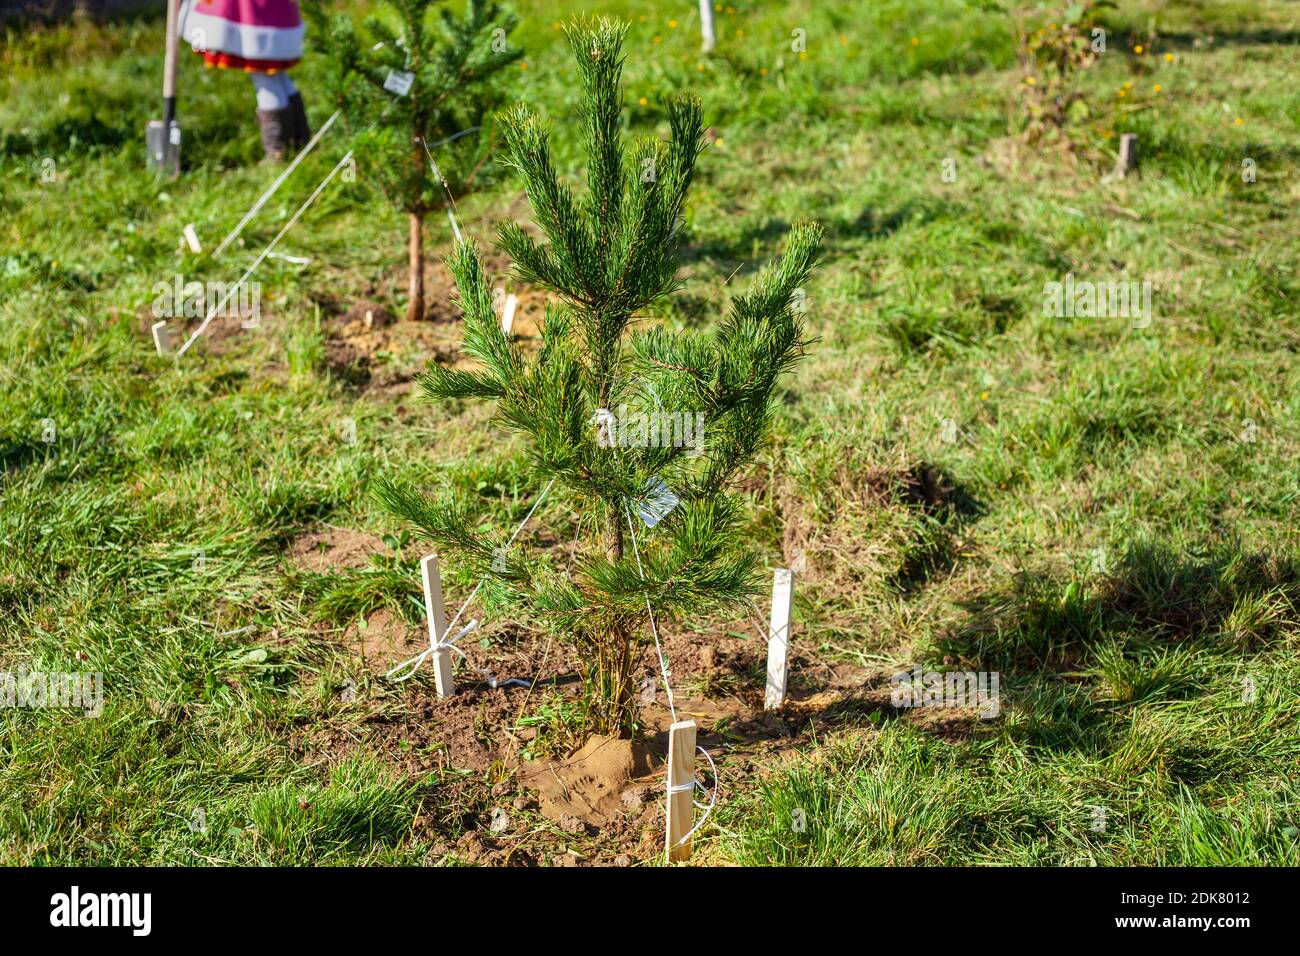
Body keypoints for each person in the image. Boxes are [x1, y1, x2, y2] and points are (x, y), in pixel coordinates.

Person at [180, 0, 310, 162]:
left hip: (255, 12)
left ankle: (278, 150)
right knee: (275, 74)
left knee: (265, 75)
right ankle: (299, 140)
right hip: (271, 11)